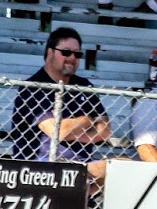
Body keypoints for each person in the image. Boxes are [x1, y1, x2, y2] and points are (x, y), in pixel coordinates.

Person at [11, 27, 110, 191]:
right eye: (66, 52)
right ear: (50, 52)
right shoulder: (32, 88)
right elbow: (59, 131)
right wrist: (88, 120)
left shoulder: (84, 86)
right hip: (43, 165)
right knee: (79, 178)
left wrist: (73, 131)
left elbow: (105, 130)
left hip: (83, 163)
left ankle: (80, 205)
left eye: (77, 54)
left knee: (126, 165)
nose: (72, 58)